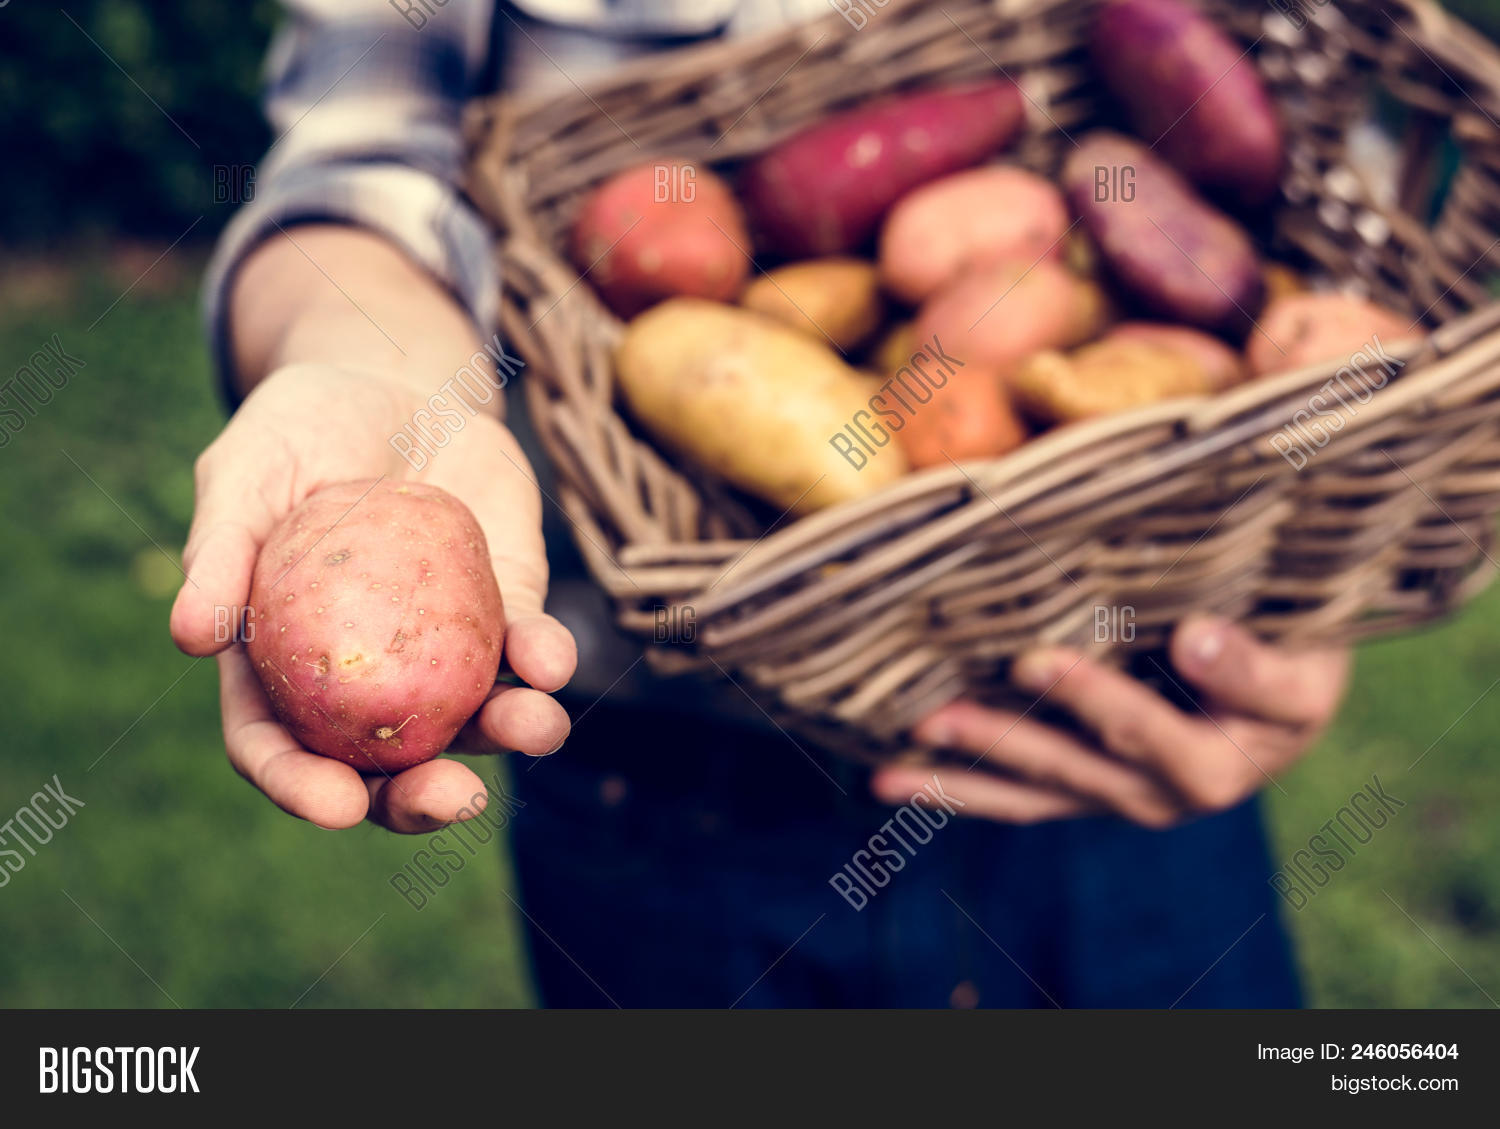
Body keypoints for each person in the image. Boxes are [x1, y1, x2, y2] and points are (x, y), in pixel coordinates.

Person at [171, 0, 1348, 1007]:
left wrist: (1305, 606)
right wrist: (374, 371)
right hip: (670, 796)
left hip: (1123, 757)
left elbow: (1320, 177)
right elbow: (357, 179)